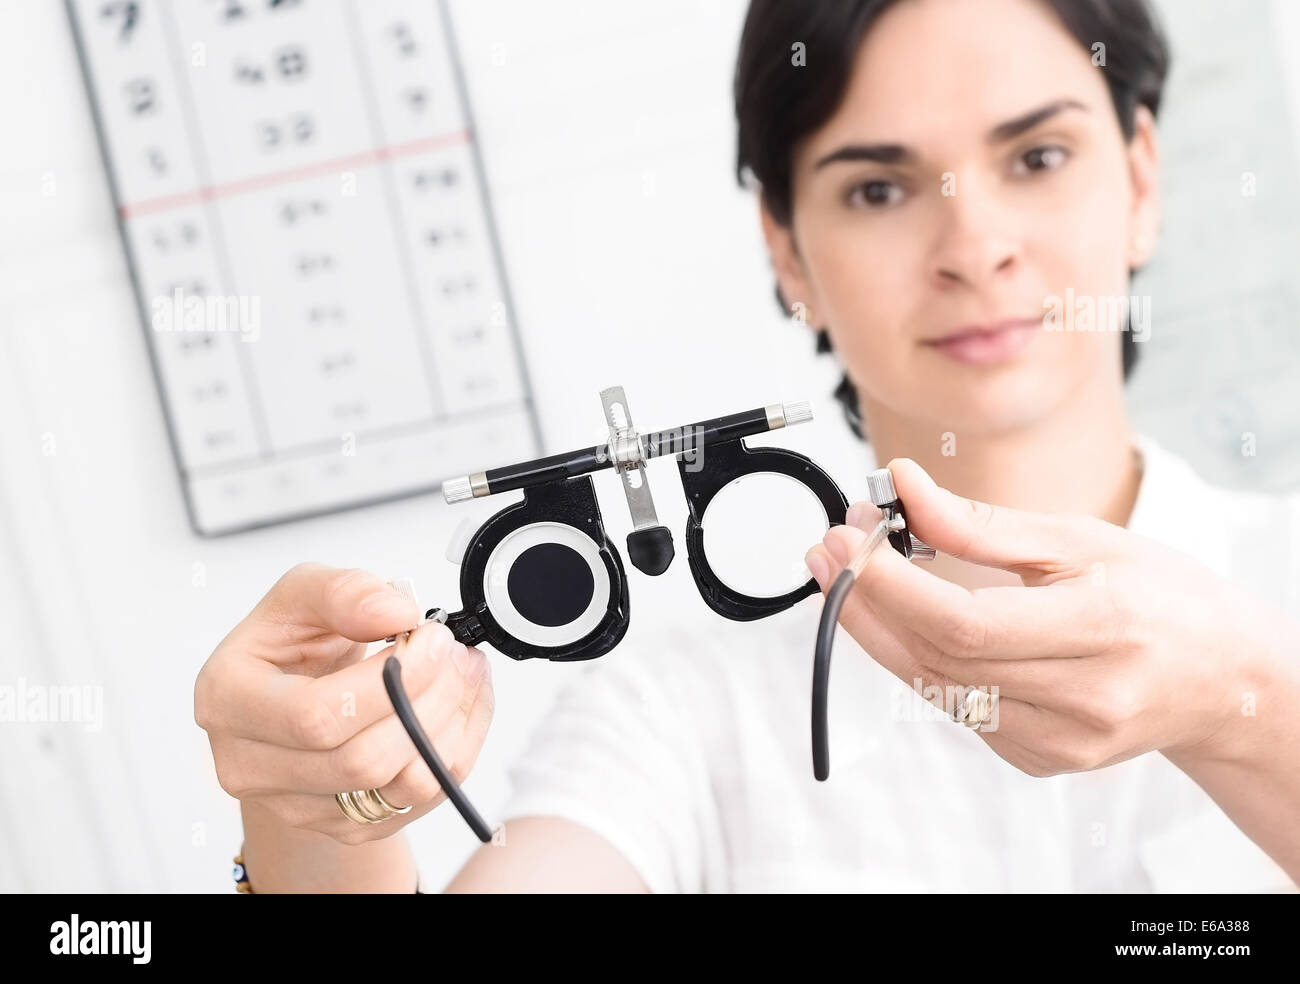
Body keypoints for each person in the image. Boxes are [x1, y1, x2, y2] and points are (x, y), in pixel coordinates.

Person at [195, 0, 1300, 892]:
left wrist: (1245, 708)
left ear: (1141, 178)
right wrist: (324, 812)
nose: (975, 247)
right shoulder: (677, 717)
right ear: (788, 253)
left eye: (1039, 156)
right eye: (878, 187)